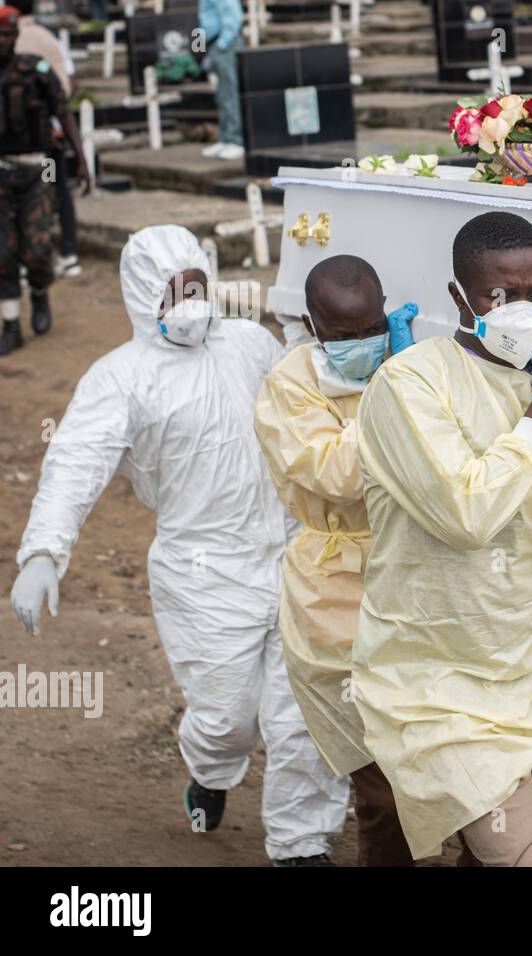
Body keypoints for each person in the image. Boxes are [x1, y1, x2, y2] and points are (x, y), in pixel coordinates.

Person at [9, 224, 350, 865]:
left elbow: (306, 397)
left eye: (196, 285)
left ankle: (301, 844)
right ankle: (211, 768)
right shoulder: (120, 378)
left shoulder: (249, 343)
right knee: (230, 716)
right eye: (171, 291)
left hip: (292, 552)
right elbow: (75, 463)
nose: (189, 301)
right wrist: (43, 554)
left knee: (302, 710)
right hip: (202, 571)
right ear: (142, 297)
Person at [352, 210, 532, 866]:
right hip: (444, 687)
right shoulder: (410, 384)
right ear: (459, 296)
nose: (524, 310)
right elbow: (467, 516)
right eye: (499, 296)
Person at [253, 253, 418, 867]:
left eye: (372, 328)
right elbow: (341, 473)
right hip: (336, 590)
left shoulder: (410, 361)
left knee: (437, 762)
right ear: (312, 328)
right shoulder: (289, 385)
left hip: (417, 575)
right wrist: (400, 390)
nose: (361, 344)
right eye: (342, 337)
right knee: (376, 779)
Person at [0, 5, 88, 357]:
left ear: (16, 35)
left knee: (37, 249)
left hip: (37, 170)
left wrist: (80, 157)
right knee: (3, 254)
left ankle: (39, 294)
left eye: (8, 35)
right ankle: (10, 324)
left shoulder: (35, 71)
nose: (3, 42)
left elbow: (63, 111)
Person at [13, 0, 80, 278]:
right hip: (52, 134)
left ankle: (26, 263)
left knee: (29, 198)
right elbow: (70, 79)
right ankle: (68, 252)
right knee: (58, 189)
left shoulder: (11, 40)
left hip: (27, 144)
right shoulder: (47, 37)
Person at [197, 0, 243, 161]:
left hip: (224, 45)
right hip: (214, 44)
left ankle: (236, 141)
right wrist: (201, 49)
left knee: (230, 93)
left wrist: (221, 45)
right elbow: (202, 20)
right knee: (222, 95)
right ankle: (225, 139)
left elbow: (234, 19)